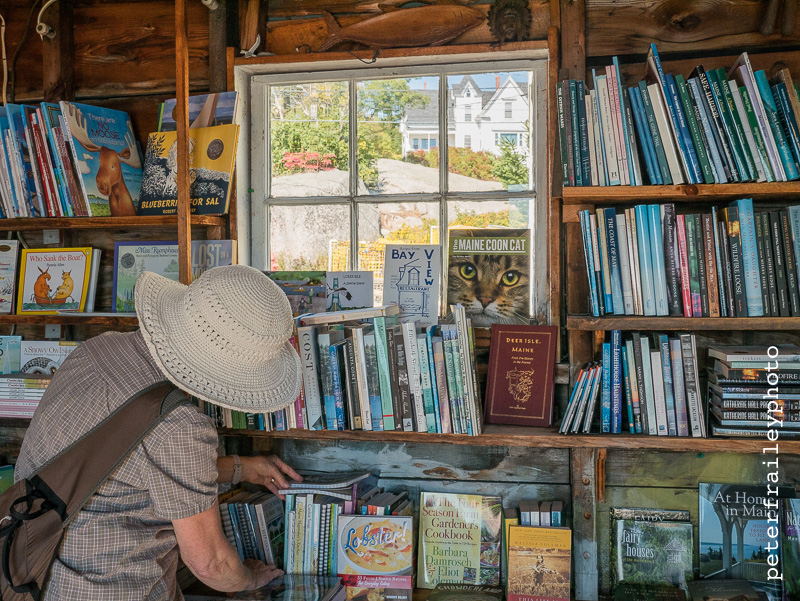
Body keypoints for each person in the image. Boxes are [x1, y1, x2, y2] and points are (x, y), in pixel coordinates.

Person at [15, 265, 304, 600]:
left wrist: (241, 467)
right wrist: (249, 579)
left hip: (31, 571)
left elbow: (136, 469)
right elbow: (210, 565)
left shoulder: (97, 351)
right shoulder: (181, 426)